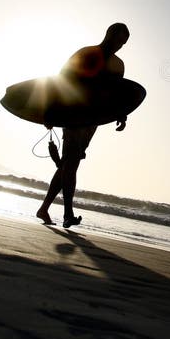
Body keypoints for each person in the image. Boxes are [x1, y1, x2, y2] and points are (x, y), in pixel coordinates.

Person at [36, 22, 130, 228]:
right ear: (109, 34)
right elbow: (61, 81)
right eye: (119, 40)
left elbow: (115, 95)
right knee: (71, 163)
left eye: (123, 44)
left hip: (92, 120)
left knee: (68, 164)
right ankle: (68, 214)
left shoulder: (118, 65)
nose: (120, 46)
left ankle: (44, 208)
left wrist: (122, 113)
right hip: (72, 113)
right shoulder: (86, 54)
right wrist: (50, 112)